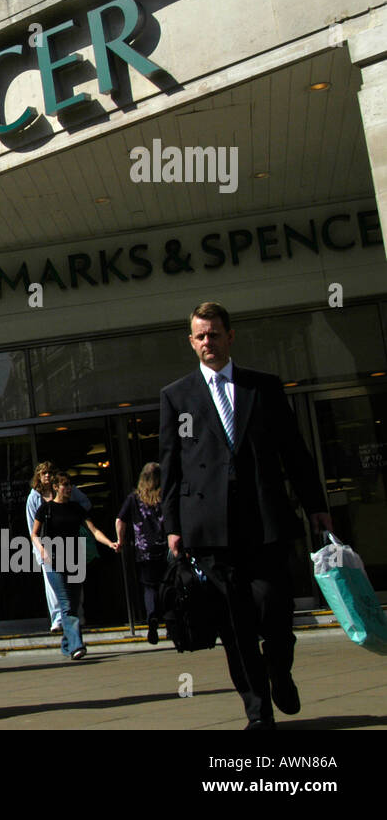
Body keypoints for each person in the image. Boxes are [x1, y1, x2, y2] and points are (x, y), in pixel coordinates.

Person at [159, 301, 331, 729]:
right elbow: (172, 466)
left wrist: (316, 506)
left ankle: (279, 670)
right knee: (234, 628)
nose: (207, 342)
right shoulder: (177, 397)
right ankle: (257, 713)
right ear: (191, 341)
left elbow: (295, 452)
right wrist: (173, 527)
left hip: (265, 522)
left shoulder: (264, 389)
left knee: (275, 610)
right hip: (209, 530)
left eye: (214, 334)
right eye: (199, 336)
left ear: (230, 336)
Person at [30, 472, 118, 660]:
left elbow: (93, 530)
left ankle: (66, 644)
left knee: (73, 603)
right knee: (67, 604)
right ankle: (78, 645)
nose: (69, 489)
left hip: (75, 560)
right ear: (56, 487)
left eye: (70, 485)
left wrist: (110, 543)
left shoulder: (76, 509)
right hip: (54, 561)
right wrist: (42, 551)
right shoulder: (45, 510)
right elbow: (34, 533)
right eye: (65, 485)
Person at [25, 462, 92, 631]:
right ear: (38, 477)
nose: (47, 475)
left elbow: (85, 503)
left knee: (75, 584)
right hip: (48, 548)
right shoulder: (34, 497)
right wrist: (39, 548)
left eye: (49, 472)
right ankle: (58, 619)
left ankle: (77, 616)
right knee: (53, 586)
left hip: (69, 544)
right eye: (43, 473)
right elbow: (33, 526)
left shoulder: (66, 490)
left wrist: (72, 515)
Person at [116, 462, 169, 644]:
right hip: (166, 547)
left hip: (144, 549)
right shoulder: (165, 495)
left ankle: (152, 616)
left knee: (149, 586)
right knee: (168, 584)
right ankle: (170, 621)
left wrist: (120, 540)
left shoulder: (134, 498)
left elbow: (120, 520)